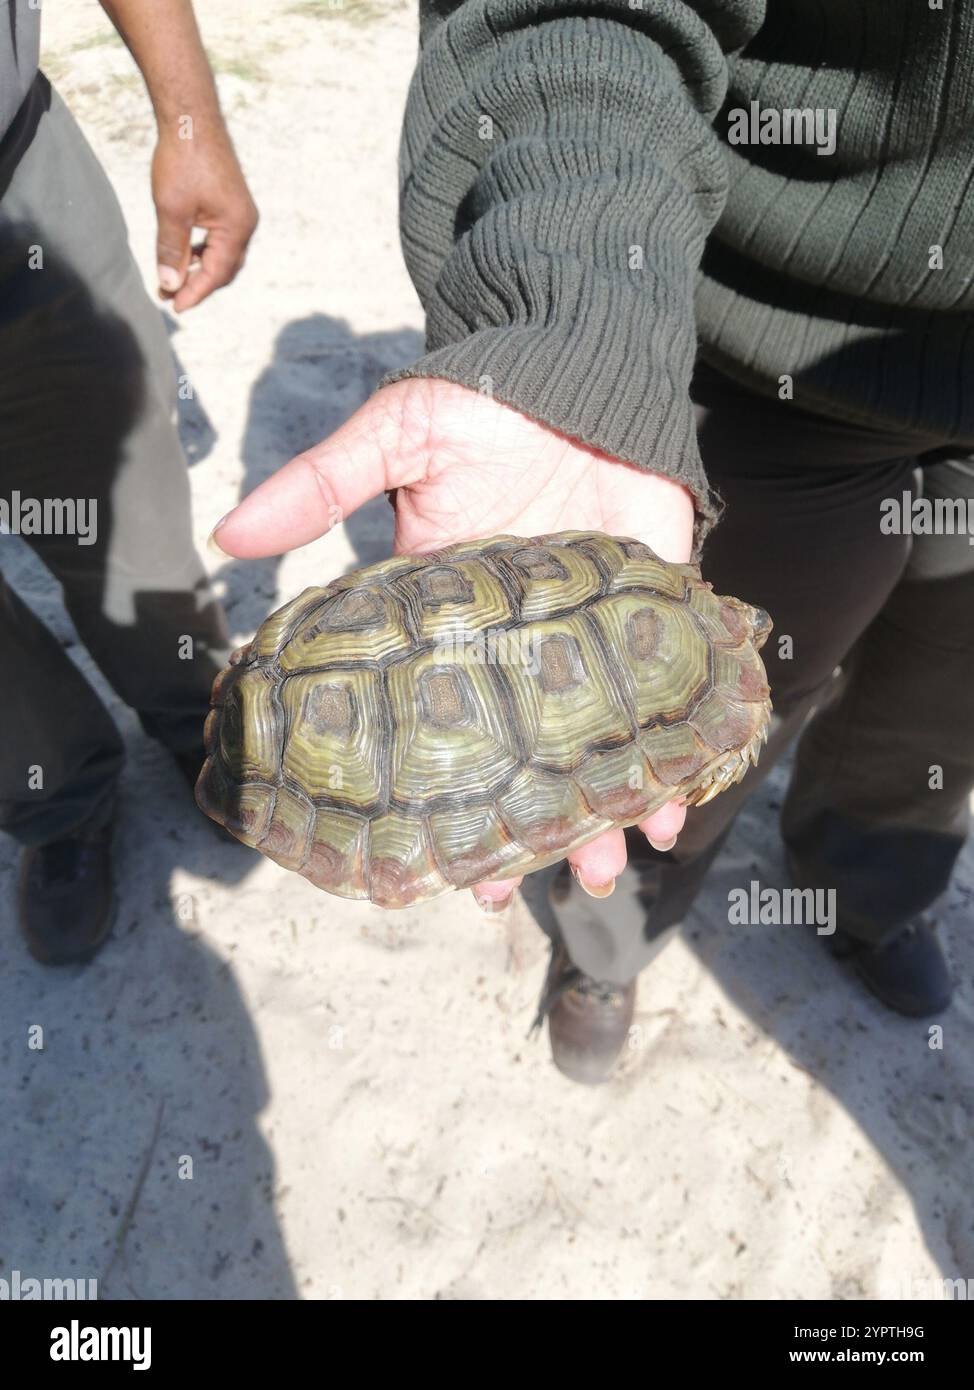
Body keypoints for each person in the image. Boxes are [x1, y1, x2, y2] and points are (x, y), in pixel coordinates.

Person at [211, 0, 973, 1083]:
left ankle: (872, 896)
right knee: (685, 768)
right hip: (766, 358)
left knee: (936, 712)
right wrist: (577, 324)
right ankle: (605, 947)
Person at [0, 0, 257, 964]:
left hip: (15, 188)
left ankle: (200, 726)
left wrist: (187, 120)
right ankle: (55, 795)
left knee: (133, 529)